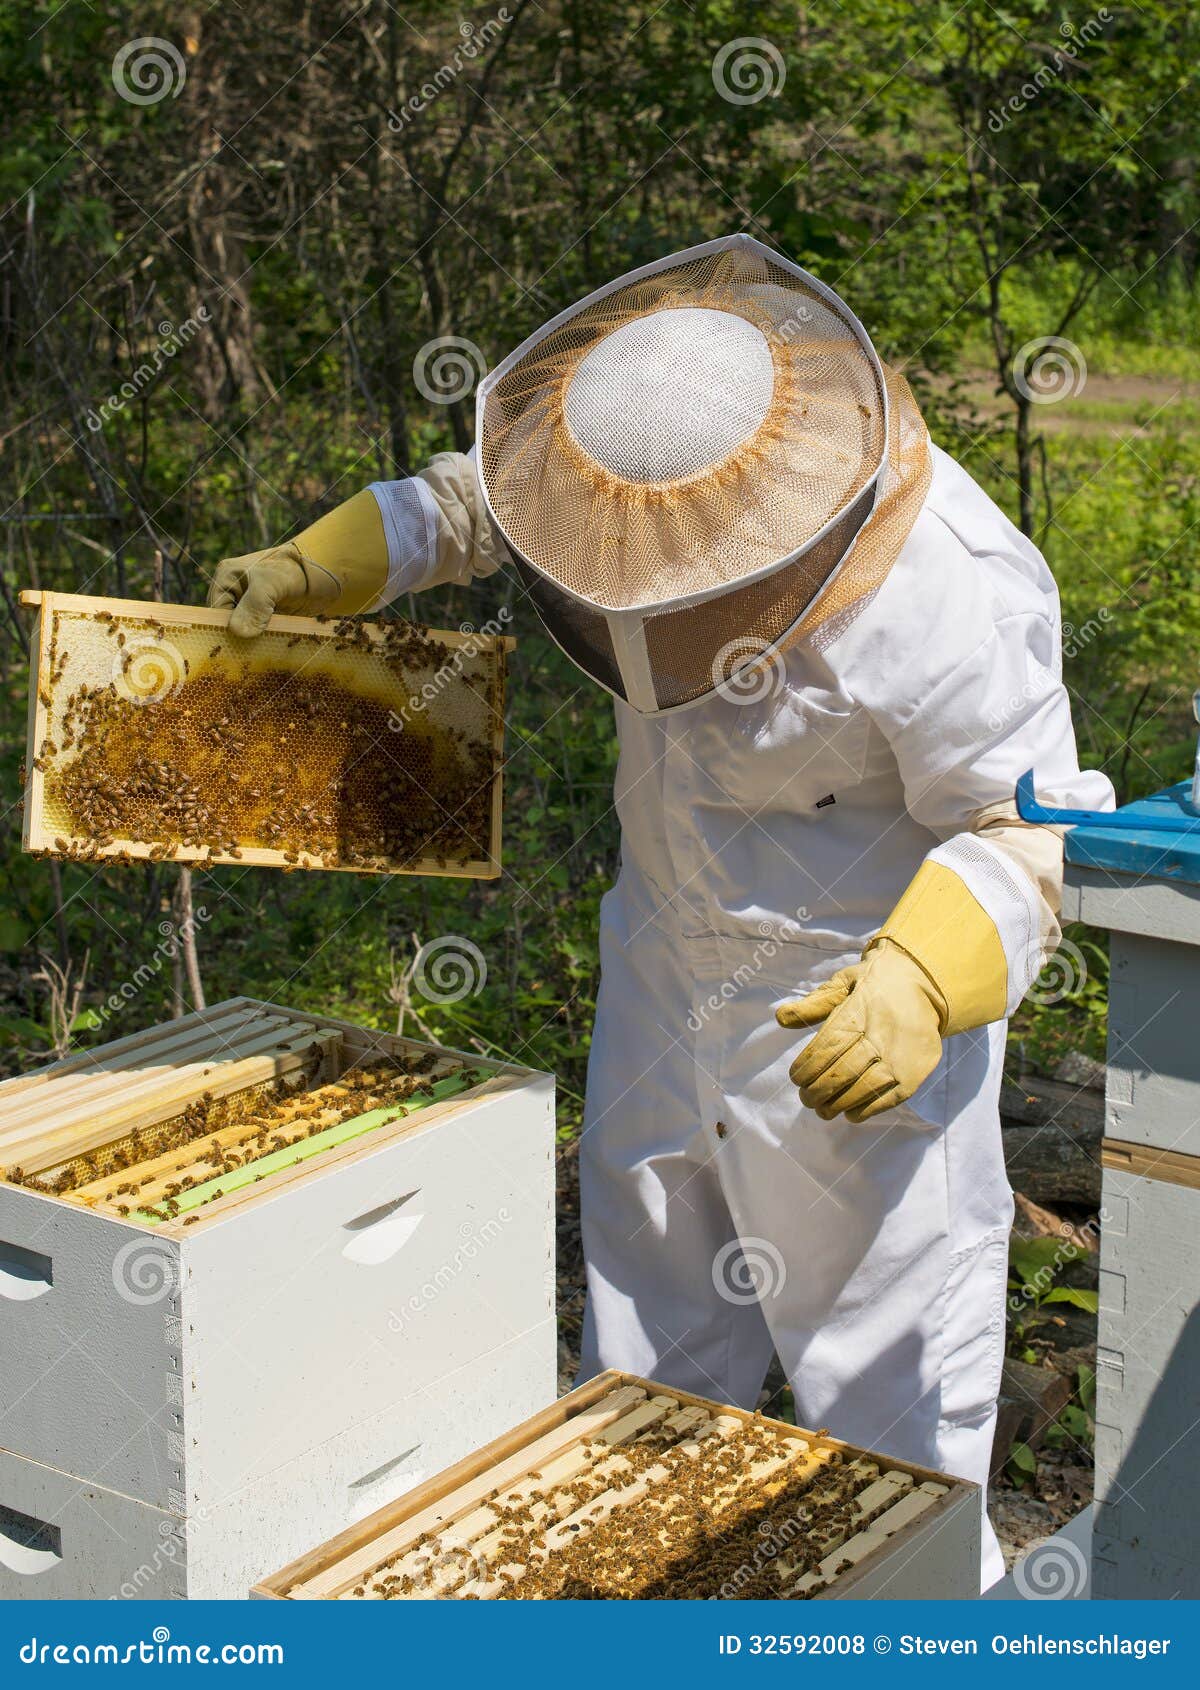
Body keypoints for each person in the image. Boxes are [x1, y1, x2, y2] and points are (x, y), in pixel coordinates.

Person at [210, 235, 1112, 1587]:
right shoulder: (620, 455)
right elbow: (478, 504)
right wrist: (324, 561)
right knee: (641, 1359)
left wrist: (926, 975)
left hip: (849, 1016)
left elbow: (1029, 821)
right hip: (657, 968)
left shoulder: (949, 587)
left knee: (890, 1423)